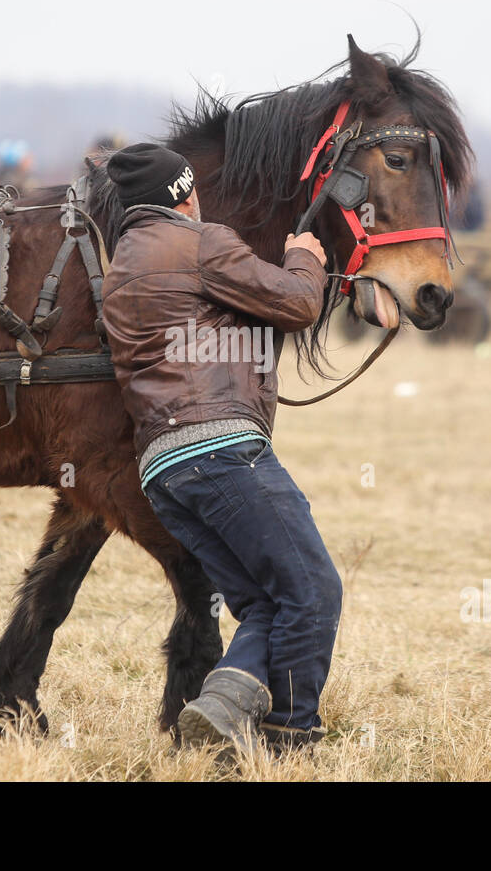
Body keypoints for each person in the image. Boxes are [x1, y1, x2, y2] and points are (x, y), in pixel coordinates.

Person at [100, 143, 342, 758]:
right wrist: (304, 257)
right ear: (184, 194)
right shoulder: (200, 241)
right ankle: (291, 739)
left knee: (264, 603)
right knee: (312, 591)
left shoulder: (123, 264)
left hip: (164, 473)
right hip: (223, 451)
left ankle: (223, 707)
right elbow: (297, 303)